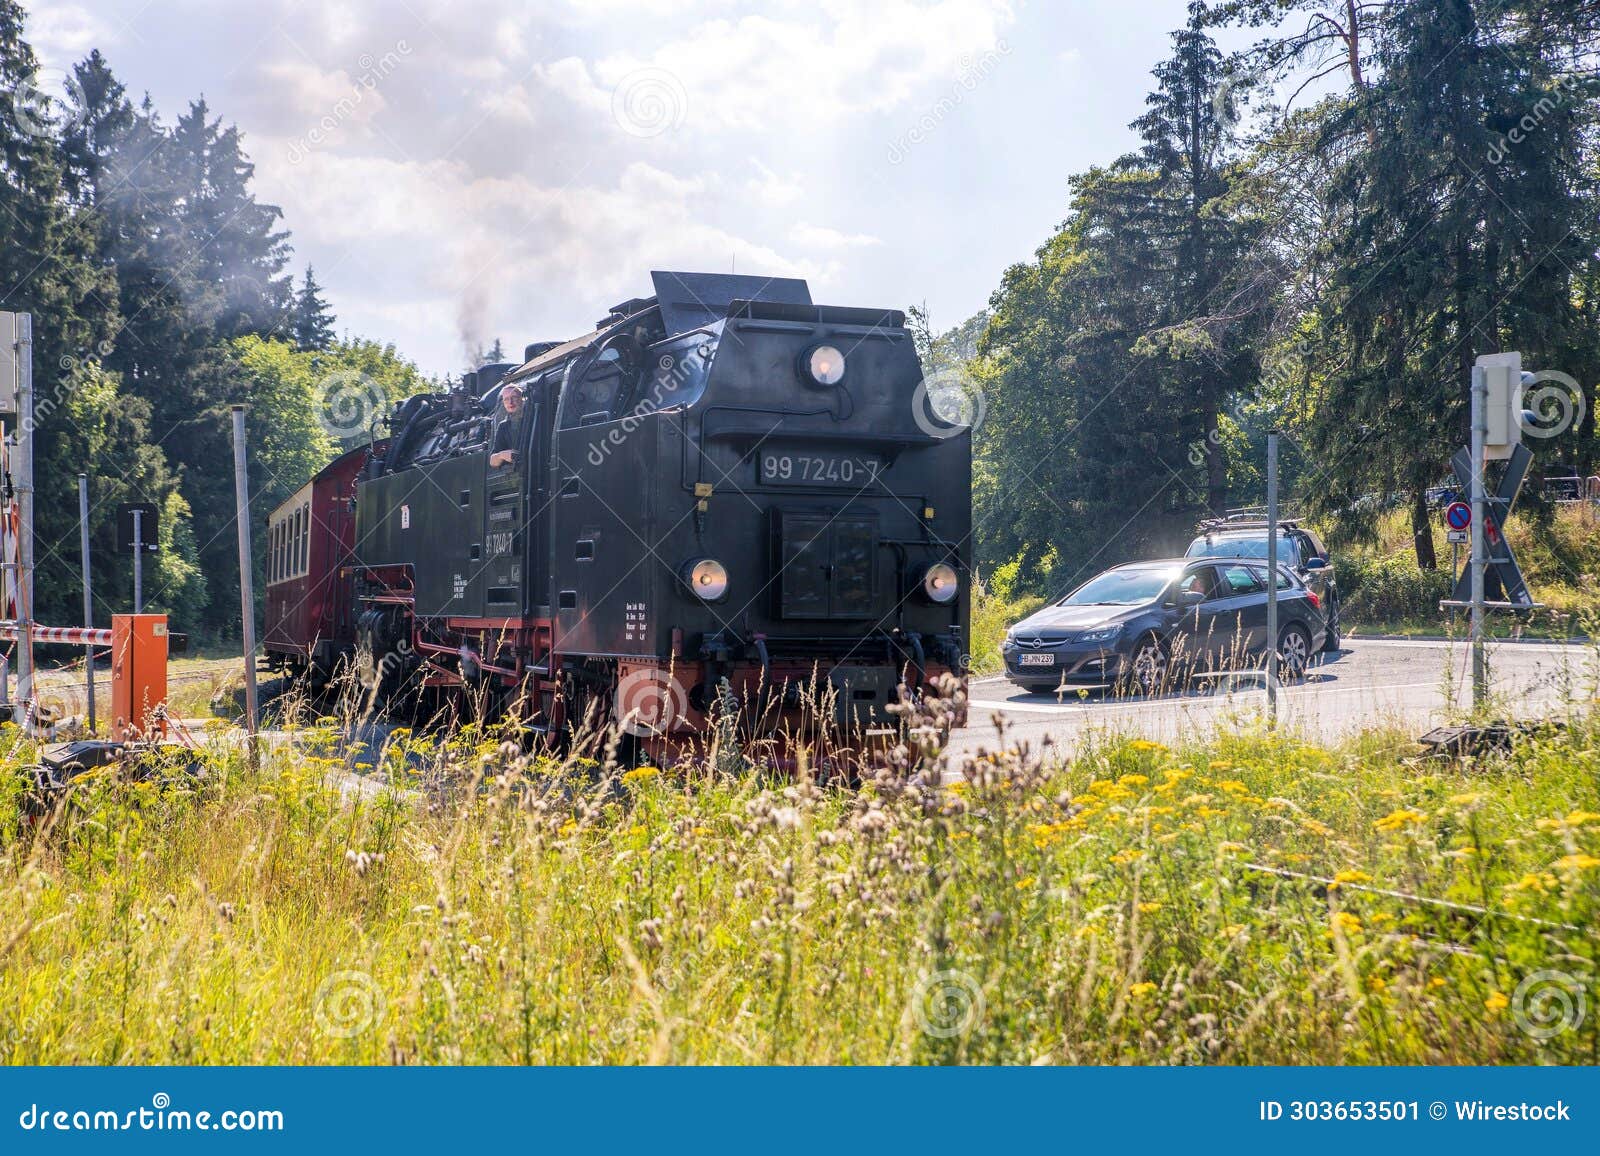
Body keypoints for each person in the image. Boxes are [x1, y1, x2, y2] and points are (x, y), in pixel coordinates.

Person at [489, 382, 525, 468]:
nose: (510, 402)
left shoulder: (532, 418)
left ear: (522, 398)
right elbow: (492, 461)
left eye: (514, 397)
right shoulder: (503, 426)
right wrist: (502, 455)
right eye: (506, 399)